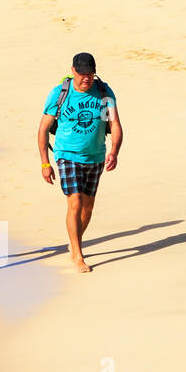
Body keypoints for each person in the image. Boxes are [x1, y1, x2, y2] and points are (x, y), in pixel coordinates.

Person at [37, 52, 123, 274]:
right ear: (73, 71)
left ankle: (74, 242)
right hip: (67, 154)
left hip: (96, 155)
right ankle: (77, 253)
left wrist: (114, 151)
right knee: (75, 203)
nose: (86, 78)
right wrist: (45, 163)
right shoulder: (60, 94)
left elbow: (114, 124)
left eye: (90, 74)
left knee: (88, 208)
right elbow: (43, 129)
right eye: (83, 73)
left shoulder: (104, 92)